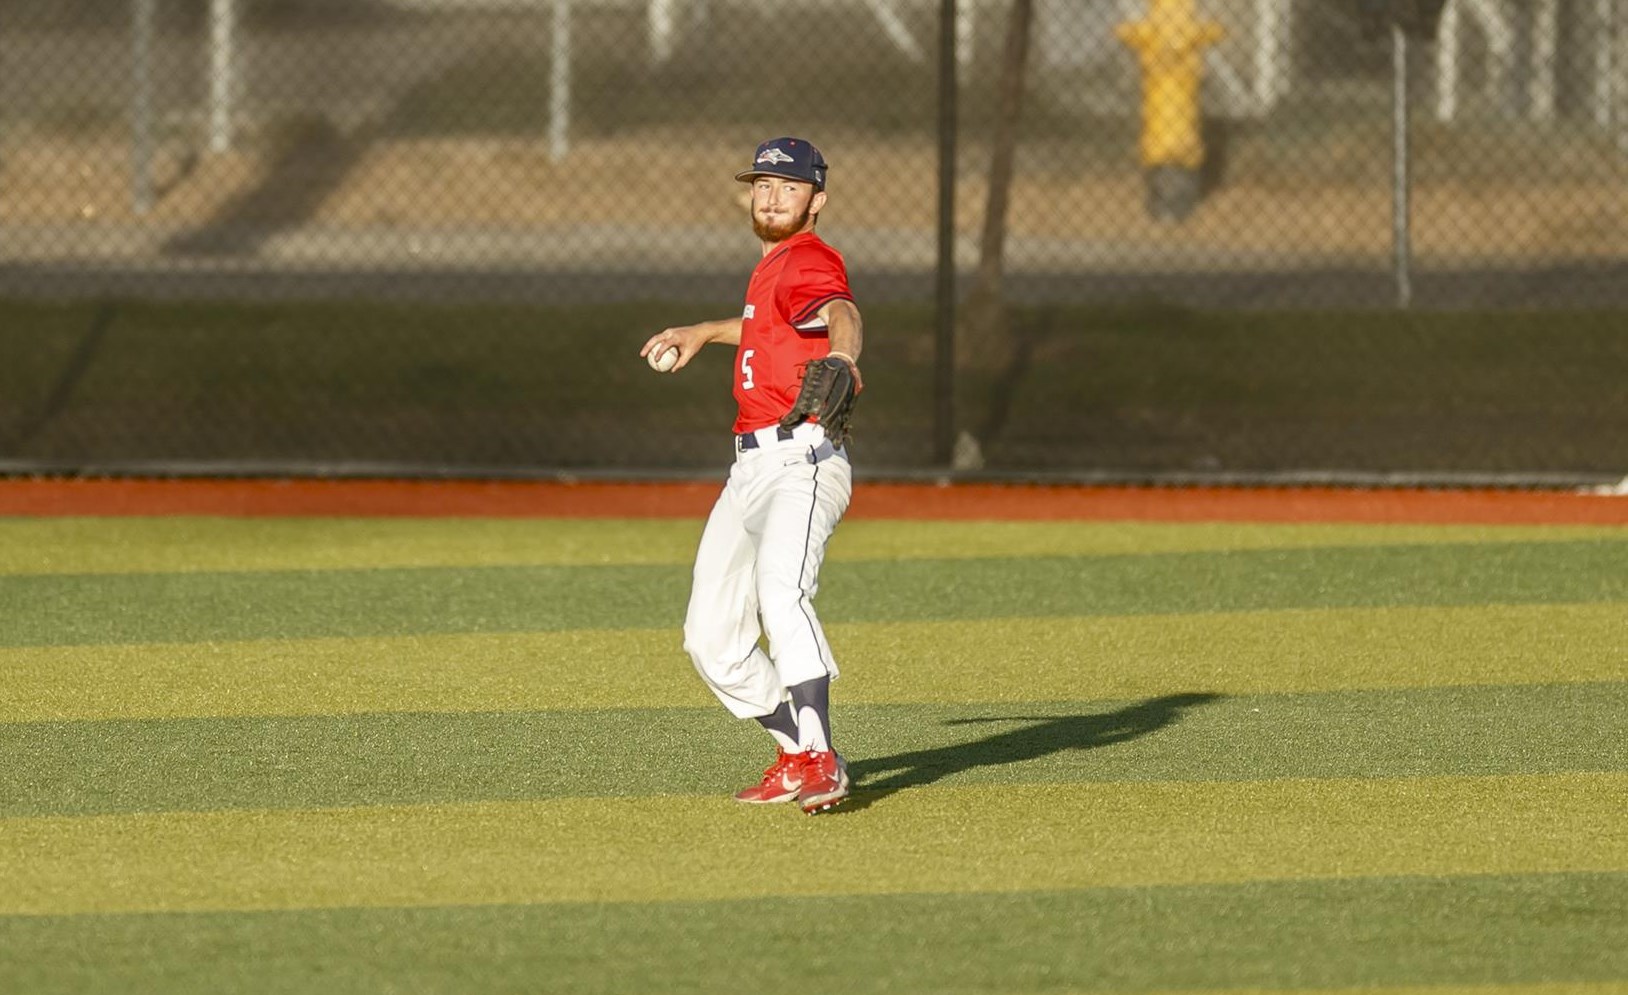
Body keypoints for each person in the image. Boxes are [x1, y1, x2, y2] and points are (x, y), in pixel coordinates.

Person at [639, 137, 864, 815]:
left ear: (816, 201)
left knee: (781, 593)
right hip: (749, 468)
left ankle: (822, 757)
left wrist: (847, 360)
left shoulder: (809, 259)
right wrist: (705, 332)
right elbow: (765, 330)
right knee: (711, 636)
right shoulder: (769, 268)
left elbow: (840, 313)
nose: (770, 197)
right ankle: (796, 749)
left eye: (787, 188)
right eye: (762, 185)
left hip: (805, 458)